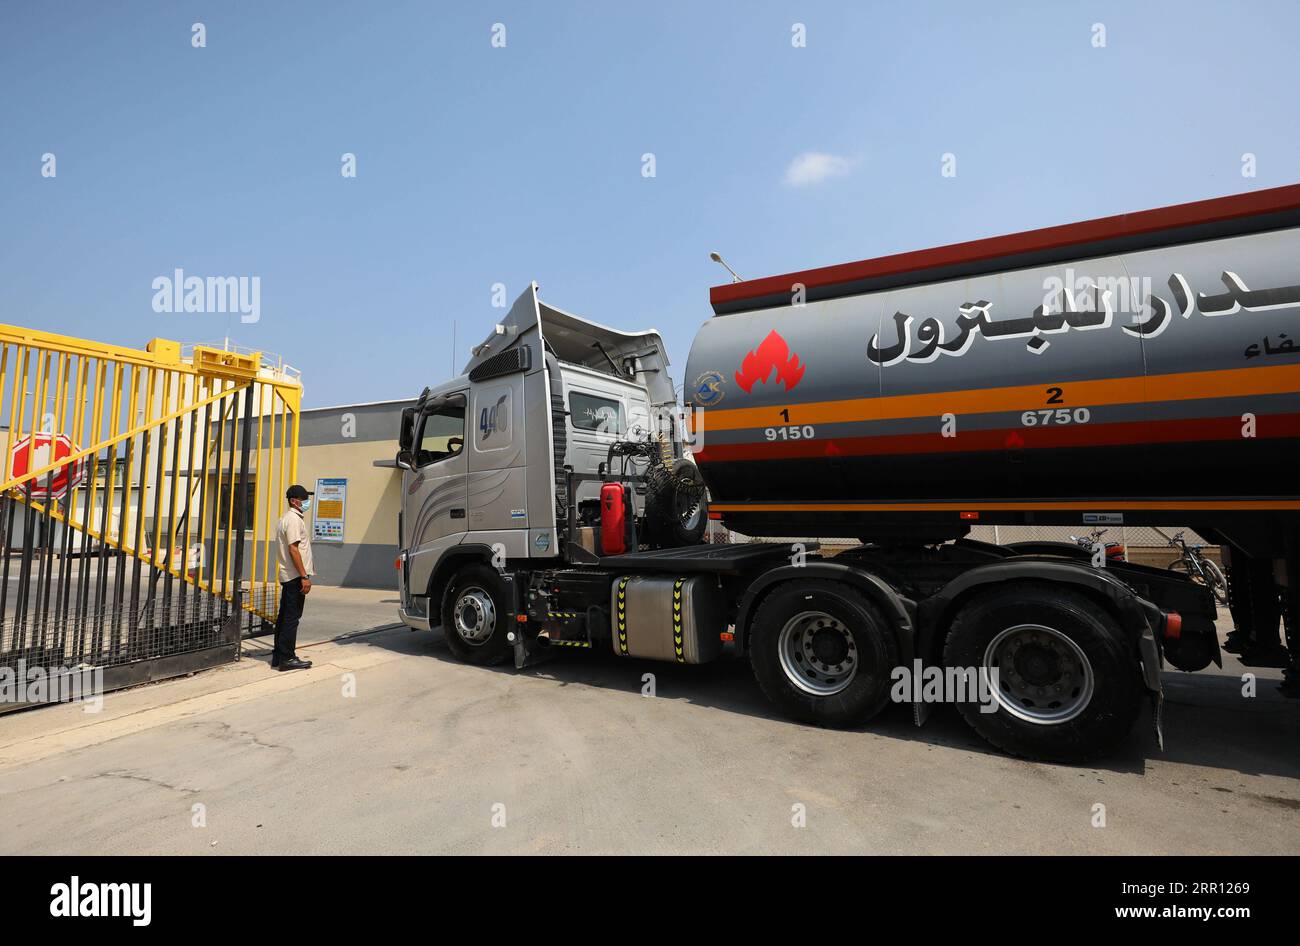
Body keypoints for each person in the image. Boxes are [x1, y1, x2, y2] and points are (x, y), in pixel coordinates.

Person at [272, 484, 315, 671]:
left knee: (284, 617)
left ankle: (279, 655)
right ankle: (287, 658)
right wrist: (304, 576)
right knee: (291, 618)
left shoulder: (287, 519)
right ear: (294, 501)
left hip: (289, 575)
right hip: (295, 576)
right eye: (304, 499)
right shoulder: (293, 520)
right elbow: (293, 549)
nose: (307, 502)